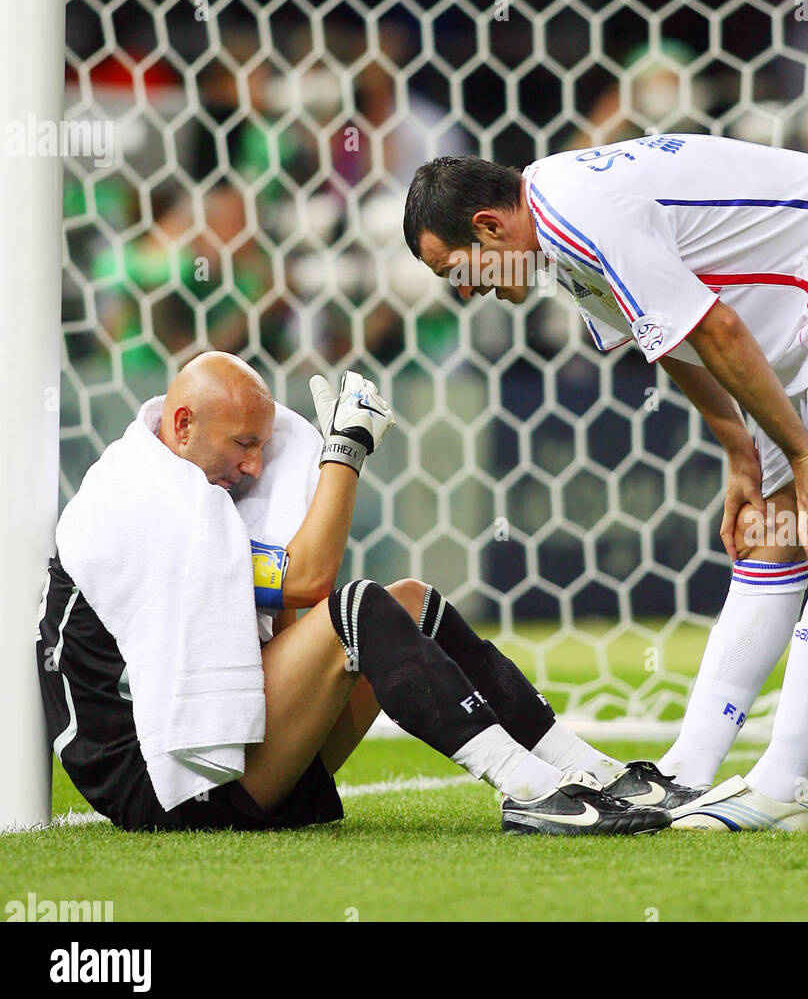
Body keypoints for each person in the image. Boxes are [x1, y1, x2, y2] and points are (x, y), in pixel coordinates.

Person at [404, 138, 808, 831]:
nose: (465, 290)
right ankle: (688, 772)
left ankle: (783, 786)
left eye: (456, 270)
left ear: (489, 227)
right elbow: (669, 337)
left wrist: (797, 450)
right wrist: (740, 453)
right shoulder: (557, 234)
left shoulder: (581, 214)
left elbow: (719, 326)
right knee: (767, 536)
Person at [38, 351, 676, 837]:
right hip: (161, 778)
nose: (257, 466)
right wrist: (344, 453)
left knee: (408, 602)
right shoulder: (139, 503)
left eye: (263, 446)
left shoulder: (195, 498)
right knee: (357, 609)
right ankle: (531, 791)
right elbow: (311, 581)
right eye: (243, 444)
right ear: (182, 425)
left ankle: (586, 767)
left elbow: (288, 621)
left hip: (214, 756)